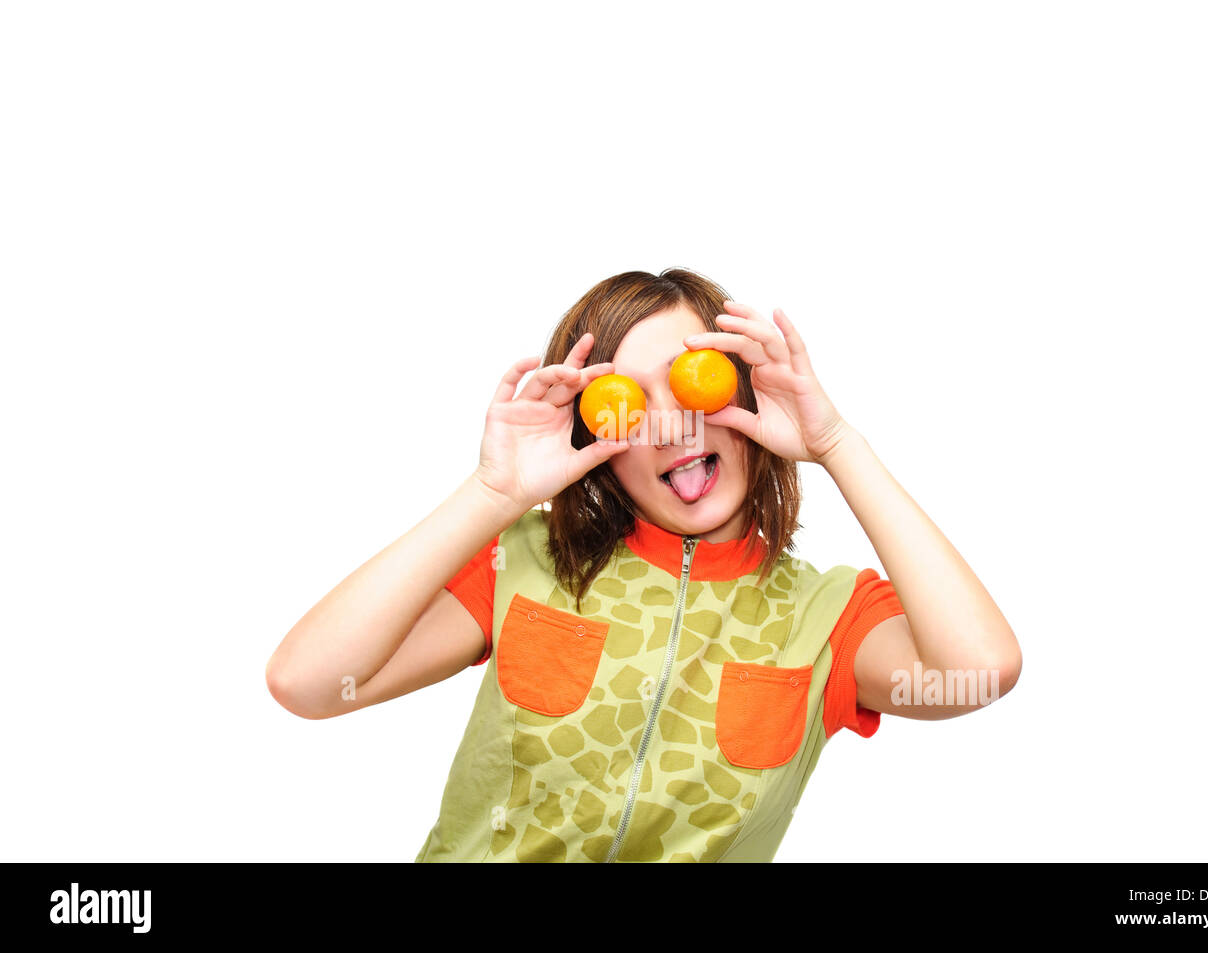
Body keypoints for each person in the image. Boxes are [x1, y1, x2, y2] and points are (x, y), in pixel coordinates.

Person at [265, 267, 1023, 862]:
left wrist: (837, 444)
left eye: (696, 378)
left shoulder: (824, 619)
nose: (672, 423)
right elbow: (309, 682)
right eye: (632, 401)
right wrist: (493, 493)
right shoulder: (522, 563)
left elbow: (982, 667)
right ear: (598, 441)